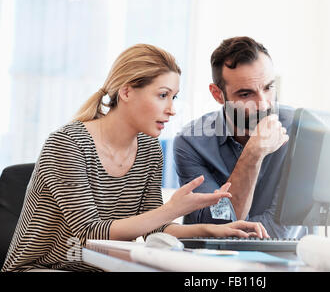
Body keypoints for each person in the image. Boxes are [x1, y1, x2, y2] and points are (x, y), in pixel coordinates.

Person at [1, 44, 268, 272]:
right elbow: (89, 233)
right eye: (163, 95)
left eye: (174, 97)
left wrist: (212, 231)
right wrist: (174, 208)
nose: (171, 109)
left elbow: (154, 228)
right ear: (127, 92)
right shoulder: (67, 144)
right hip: (40, 268)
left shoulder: (149, 149)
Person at [174, 36, 306, 239]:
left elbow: (283, 229)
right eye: (246, 94)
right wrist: (253, 153)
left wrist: (233, 231)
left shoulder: (301, 129)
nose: (263, 105)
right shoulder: (191, 142)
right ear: (218, 94)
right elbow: (218, 225)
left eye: (268, 87)